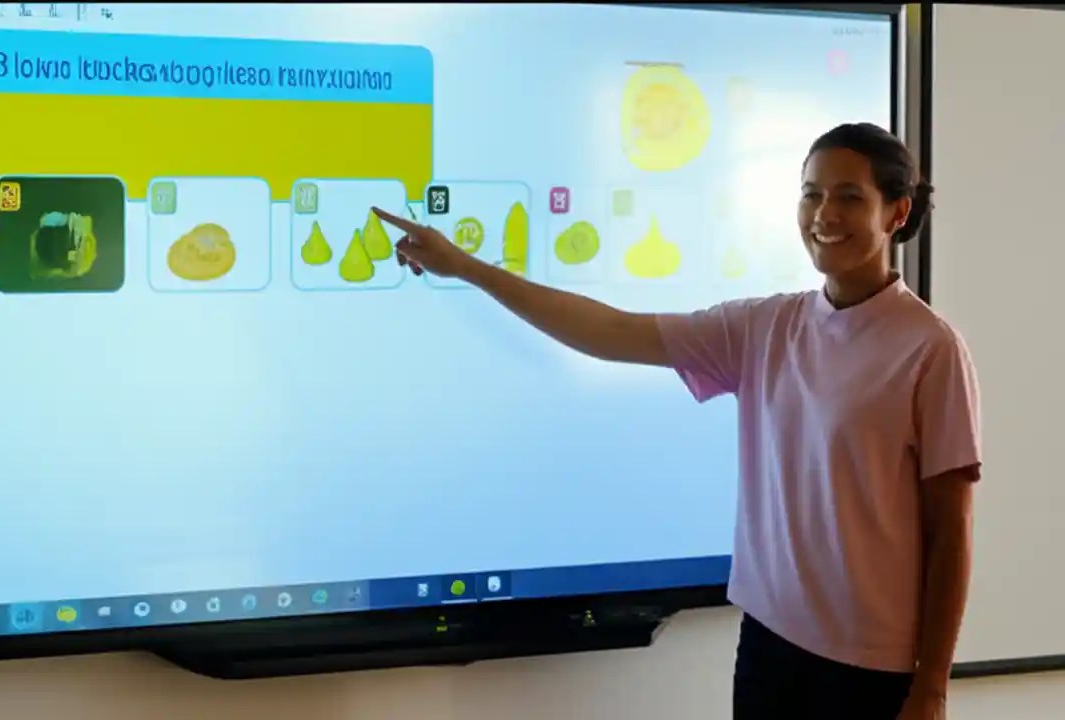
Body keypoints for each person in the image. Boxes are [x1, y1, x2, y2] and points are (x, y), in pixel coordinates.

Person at [373, 122, 980, 720]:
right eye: (811, 193)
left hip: (873, 670)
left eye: (850, 196)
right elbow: (608, 331)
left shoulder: (929, 349)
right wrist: (469, 268)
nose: (825, 213)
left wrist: (932, 689)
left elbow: (951, 531)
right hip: (771, 644)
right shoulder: (765, 327)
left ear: (895, 213)